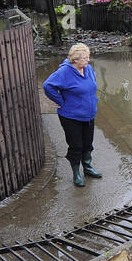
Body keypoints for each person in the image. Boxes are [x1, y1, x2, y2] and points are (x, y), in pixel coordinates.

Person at [43, 42, 101, 187]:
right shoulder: (64, 72)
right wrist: (60, 100)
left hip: (88, 115)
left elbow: (92, 83)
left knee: (88, 144)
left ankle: (87, 168)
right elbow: (47, 86)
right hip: (71, 117)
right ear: (75, 60)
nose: (88, 60)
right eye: (85, 58)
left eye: (88, 57)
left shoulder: (88, 69)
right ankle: (76, 173)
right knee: (76, 145)